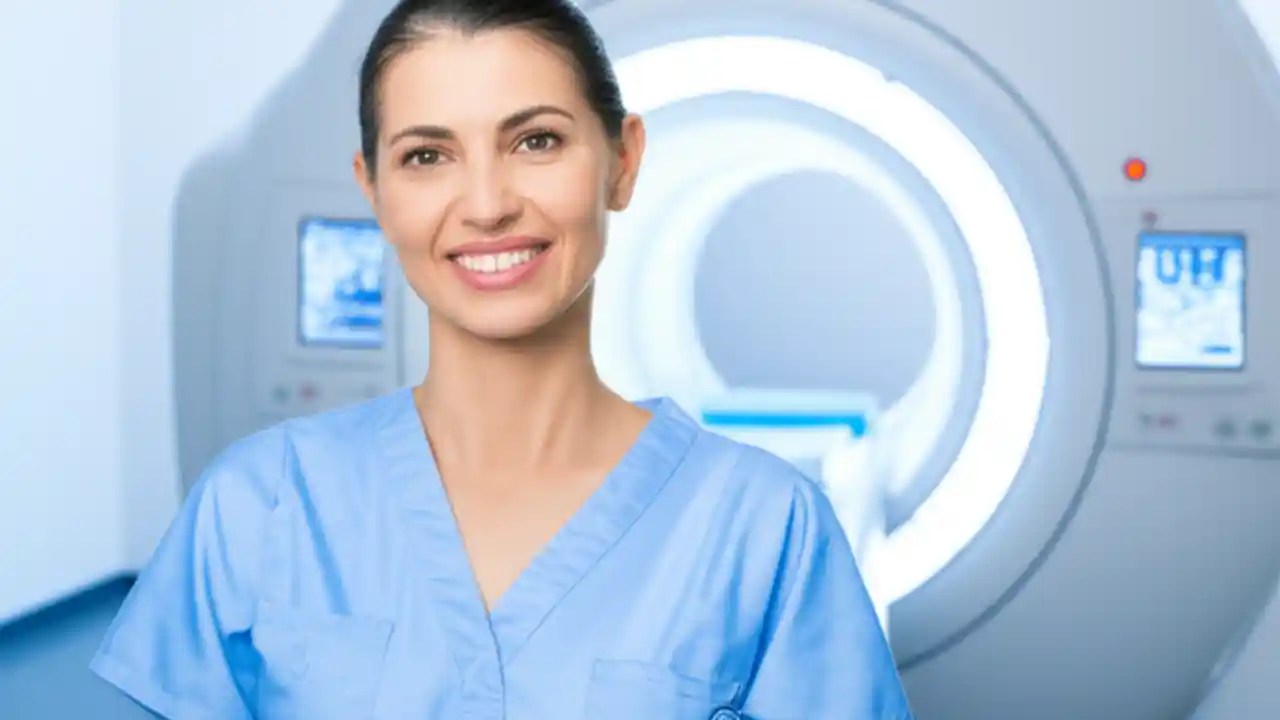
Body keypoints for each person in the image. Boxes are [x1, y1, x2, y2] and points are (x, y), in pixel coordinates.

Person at [90, 1, 915, 717]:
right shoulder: (256, 506)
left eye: (536, 142)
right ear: (372, 189)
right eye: (426, 156)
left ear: (623, 161)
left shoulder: (768, 531)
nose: (486, 205)